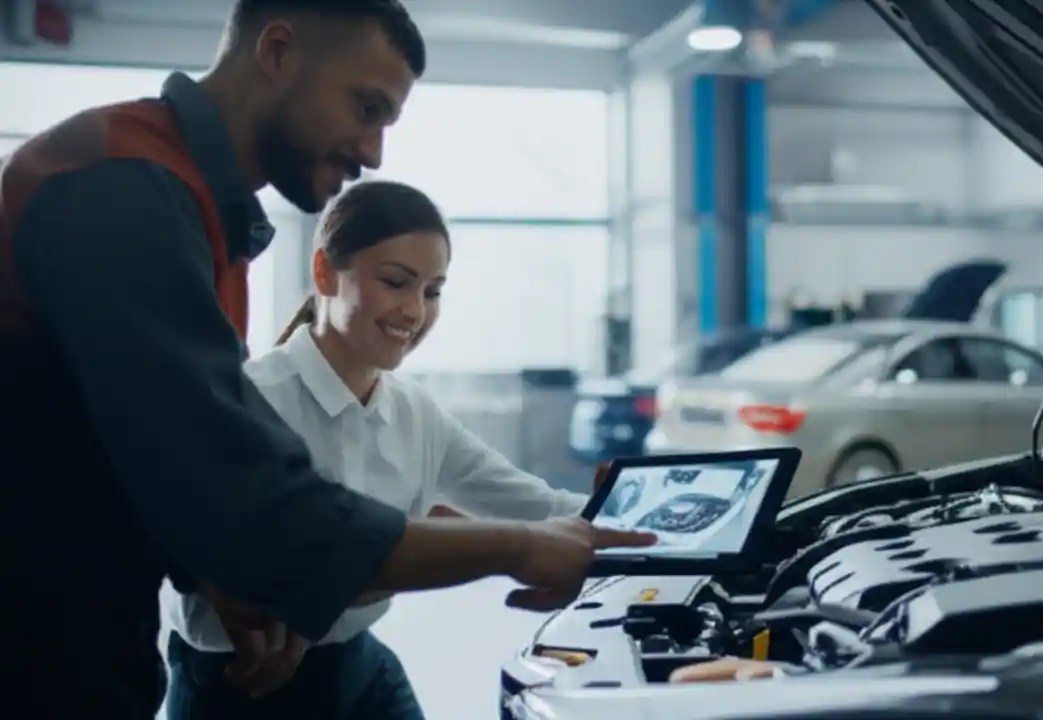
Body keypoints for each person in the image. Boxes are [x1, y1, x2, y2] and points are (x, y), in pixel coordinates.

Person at [0, 1, 652, 717]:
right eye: (365, 107)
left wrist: (220, 571)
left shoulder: (197, 216)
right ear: (278, 52)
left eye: (431, 290)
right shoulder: (122, 186)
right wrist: (518, 549)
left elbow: (143, 456)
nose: (373, 153)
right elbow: (254, 504)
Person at [160, 180, 591, 718]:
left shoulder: (415, 414)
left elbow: (541, 507)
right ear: (323, 272)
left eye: (433, 291)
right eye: (395, 283)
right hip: (243, 689)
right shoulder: (251, 401)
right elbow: (188, 535)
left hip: (360, 672)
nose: (414, 311)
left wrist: (651, 521)